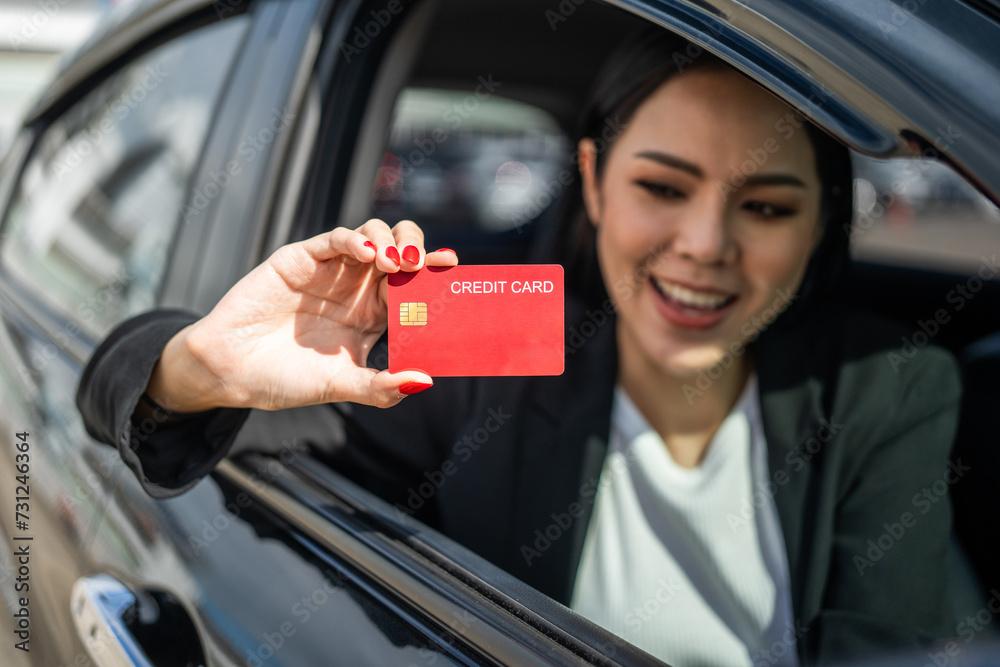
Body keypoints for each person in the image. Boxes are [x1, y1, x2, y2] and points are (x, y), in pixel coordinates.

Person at [76, 28, 960, 666]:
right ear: (594, 185)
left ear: (818, 228)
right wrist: (197, 368)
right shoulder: (496, 345)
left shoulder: (885, 386)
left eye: (765, 206)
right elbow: (207, 424)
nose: (705, 243)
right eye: (661, 186)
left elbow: (900, 642)